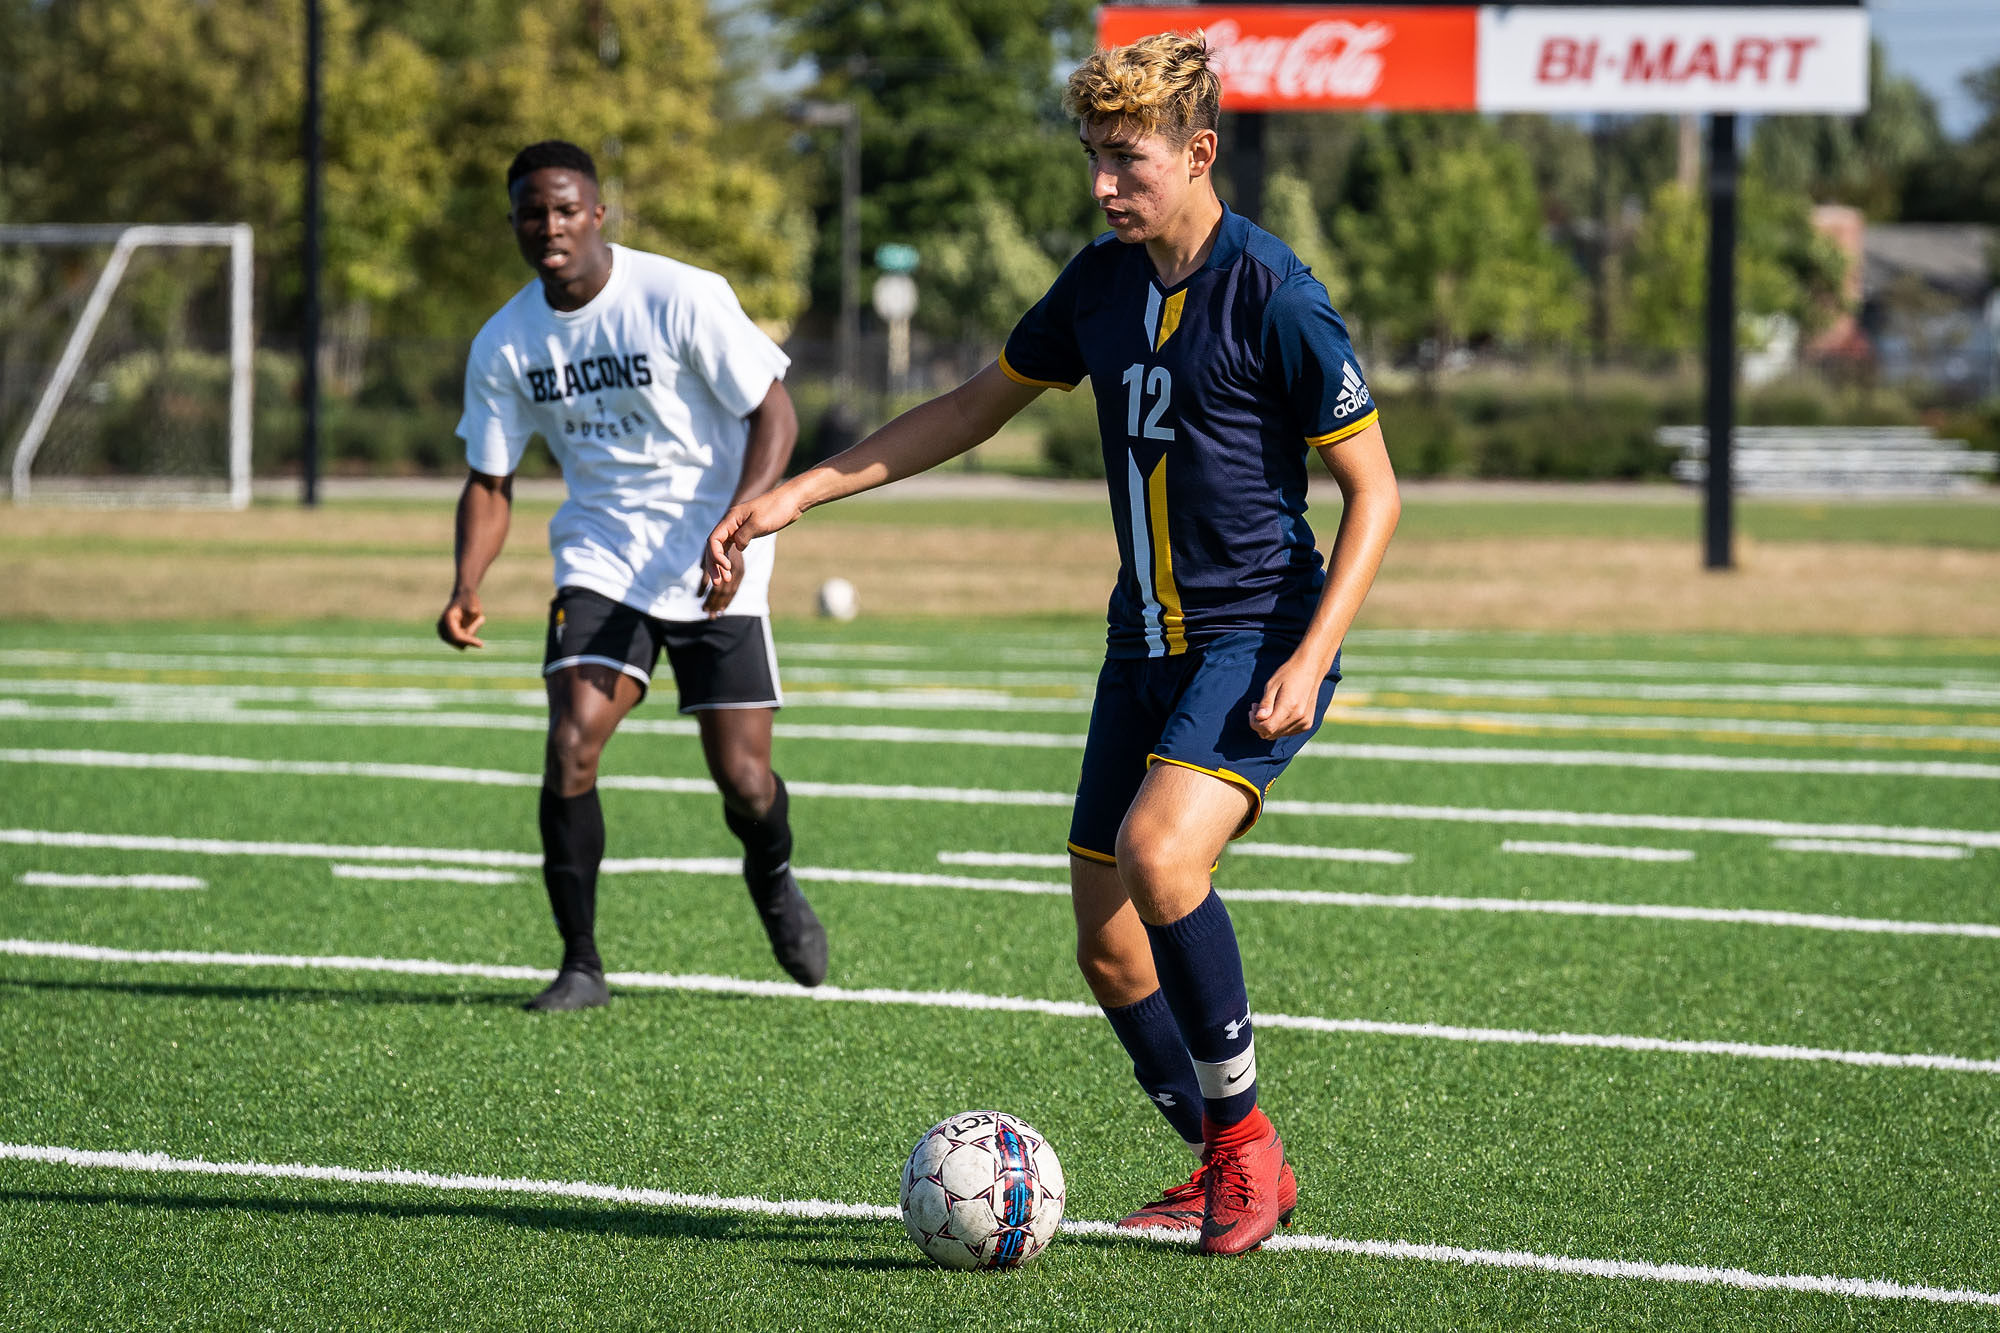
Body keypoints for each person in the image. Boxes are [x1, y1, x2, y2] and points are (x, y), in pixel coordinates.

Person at [707, 35, 1399, 1255]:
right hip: (1139, 643)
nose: (1099, 184)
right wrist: (797, 494)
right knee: (1102, 938)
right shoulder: (1100, 282)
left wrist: (1306, 658)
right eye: (1090, 158)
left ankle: (1247, 1153)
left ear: (1197, 152)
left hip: (1256, 633)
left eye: (1123, 160)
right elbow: (974, 406)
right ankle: (1218, 1148)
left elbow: (1374, 492)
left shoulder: (1274, 292)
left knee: (1157, 855)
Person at [438, 139, 827, 1012]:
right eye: (533, 213)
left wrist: (739, 521)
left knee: (745, 781)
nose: (551, 227)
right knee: (572, 740)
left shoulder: (681, 295)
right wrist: (467, 581)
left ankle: (772, 876)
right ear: (514, 223)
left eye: (567, 209)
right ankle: (581, 963)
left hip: (716, 553)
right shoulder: (504, 342)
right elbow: (490, 480)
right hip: (601, 559)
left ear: (599, 213)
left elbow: (774, 410)